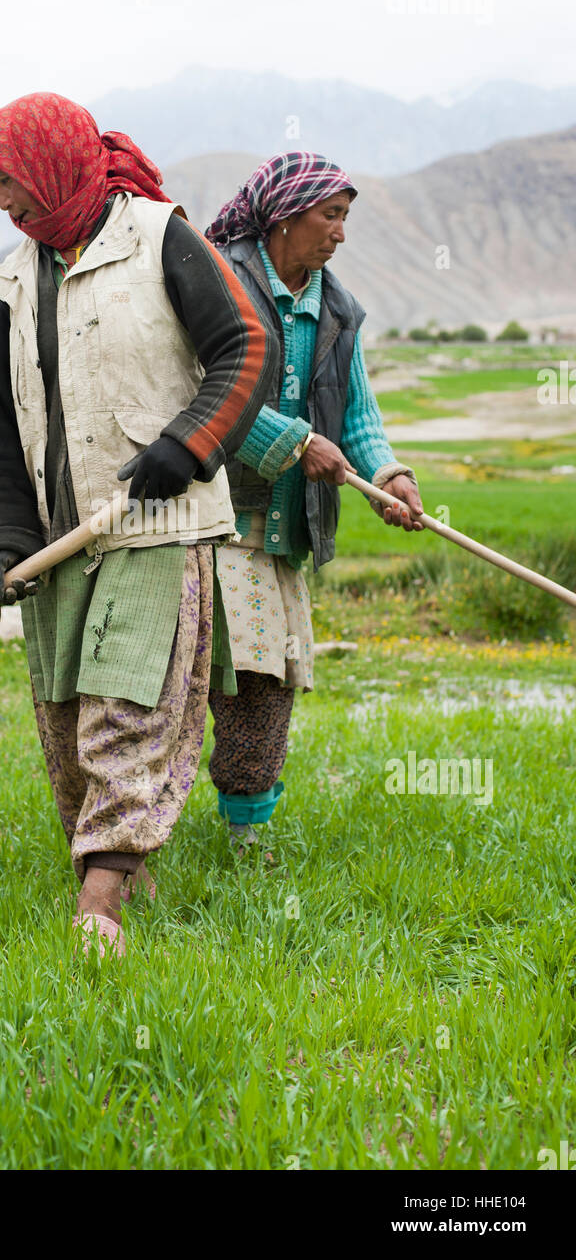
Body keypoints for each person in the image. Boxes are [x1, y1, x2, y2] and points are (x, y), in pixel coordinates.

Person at [0, 92, 278, 955]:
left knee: (128, 707)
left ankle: (99, 909)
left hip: (157, 523)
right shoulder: (16, 278)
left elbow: (248, 346)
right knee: (65, 725)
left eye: (9, 180)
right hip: (63, 540)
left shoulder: (159, 236)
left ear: (54, 164)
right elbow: (0, 419)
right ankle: (113, 873)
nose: (2, 200)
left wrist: (189, 443)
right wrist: (7, 542)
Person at [203, 152, 425, 845]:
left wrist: (387, 476)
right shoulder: (216, 281)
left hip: (281, 531)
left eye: (346, 218)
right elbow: (196, 388)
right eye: (331, 216)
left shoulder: (336, 306)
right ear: (285, 217)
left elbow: (357, 411)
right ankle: (132, 842)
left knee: (265, 687)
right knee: (185, 685)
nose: (340, 233)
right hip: (206, 522)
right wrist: (296, 444)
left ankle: (248, 839)